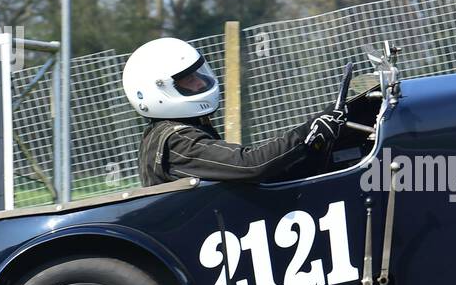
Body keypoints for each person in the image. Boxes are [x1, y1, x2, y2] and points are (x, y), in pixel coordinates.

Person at [122, 37, 346, 186]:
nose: (200, 83)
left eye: (198, 74)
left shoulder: (168, 134)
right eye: (189, 79)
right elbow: (251, 165)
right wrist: (307, 133)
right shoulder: (178, 141)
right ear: (158, 91)